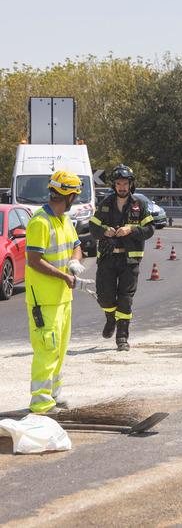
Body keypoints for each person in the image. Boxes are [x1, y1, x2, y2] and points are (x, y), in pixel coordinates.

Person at [24, 170, 84, 413]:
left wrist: (74, 262)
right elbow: (34, 260)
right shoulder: (40, 222)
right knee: (46, 350)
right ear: (67, 195)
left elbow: (77, 246)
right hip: (44, 300)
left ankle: (54, 396)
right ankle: (40, 403)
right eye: (75, 196)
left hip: (62, 299)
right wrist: (64, 276)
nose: (75, 200)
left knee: (59, 350)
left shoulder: (65, 220)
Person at [89, 164, 155, 351]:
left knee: (125, 299)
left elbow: (150, 229)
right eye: (118, 183)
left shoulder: (139, 205)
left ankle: (122, 337)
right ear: (114, 186)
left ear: (130, 184)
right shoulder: (105, 204)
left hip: (130, 261)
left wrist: (131, 230)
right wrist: (105, 231)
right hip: (107, 260)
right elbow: (93, 228)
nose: (122, 187)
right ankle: (110, 318)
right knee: (105, 297)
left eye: (125, 183)